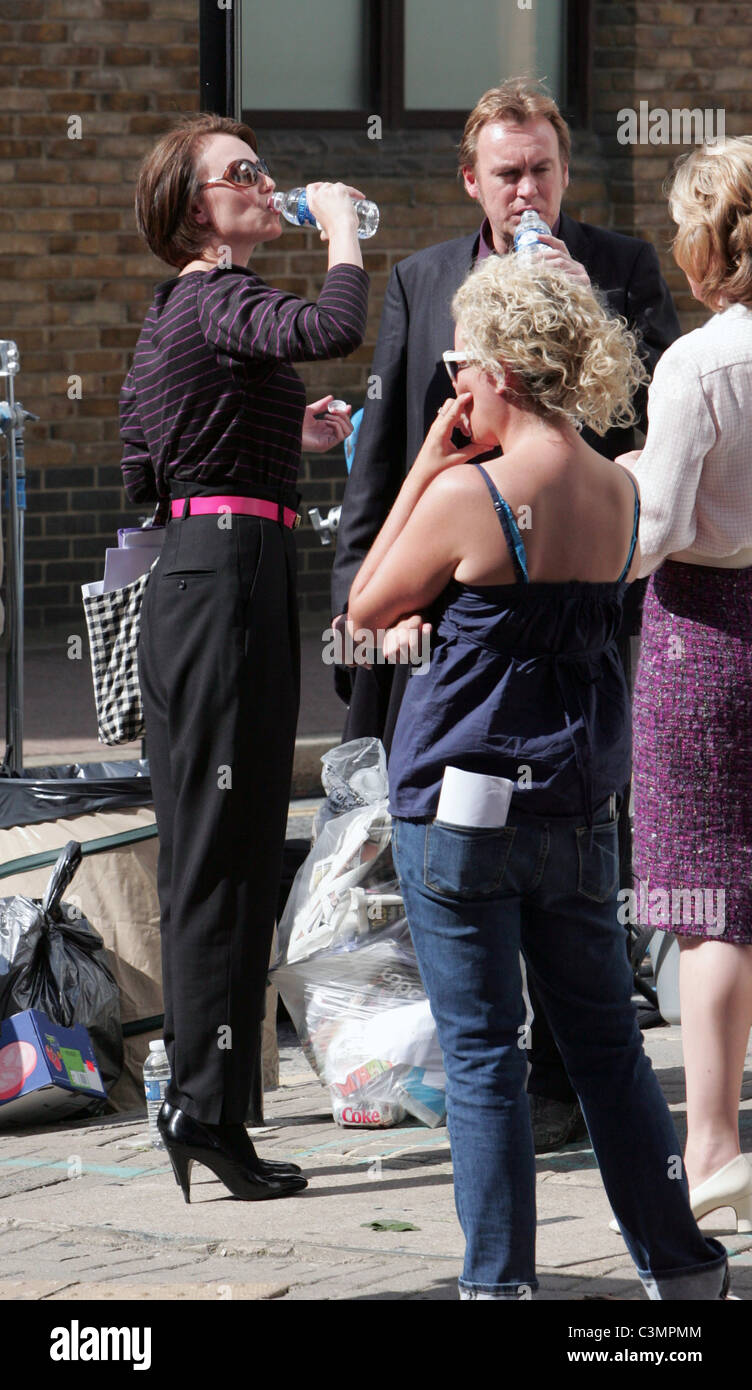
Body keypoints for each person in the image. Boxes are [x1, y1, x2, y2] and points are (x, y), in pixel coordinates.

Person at [346, 253, 729, 1299]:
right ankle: (681, 1265)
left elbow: (366, 609)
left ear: (500, 371)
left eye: (458, 366)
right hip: (576, 798)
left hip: (459, 803)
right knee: (606, 1045)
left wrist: (424, 464)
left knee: (481, 1055)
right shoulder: (617, 487)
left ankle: (498, 1283)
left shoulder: (468, 492)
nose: (453, 386)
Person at [332, 78, 682, 1152]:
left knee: (570, 844)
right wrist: (362, 620)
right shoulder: (422, 279)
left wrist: (592, 318)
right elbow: (389, 455)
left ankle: (557, 1080)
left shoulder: (618, 266)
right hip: (444, 610)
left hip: (569, 613)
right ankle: (447, 1064)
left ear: (565, 174)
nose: (525, 189)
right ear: (470, 180)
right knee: (452, 857)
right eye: (506, 172)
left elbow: (654, 430)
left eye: (541, 170)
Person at [119, 113, 369, 1202]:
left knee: (219, 849)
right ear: (195, 210)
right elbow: (332, 325)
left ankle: (210, 1106)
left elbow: (145, 457)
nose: (268, 186)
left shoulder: (178, 311)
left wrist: (279, 436)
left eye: (264, 170)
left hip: (207, 569)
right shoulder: (217, 291)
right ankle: (202, 1106)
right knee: (225, 853)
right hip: (225, 580)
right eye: (243, 174)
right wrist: (343, 228)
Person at [621, 137, 752, 1233]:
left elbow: (653, 528)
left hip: (705, 634)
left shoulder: (699, 363)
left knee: (711, 903)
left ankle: (711, 1147)